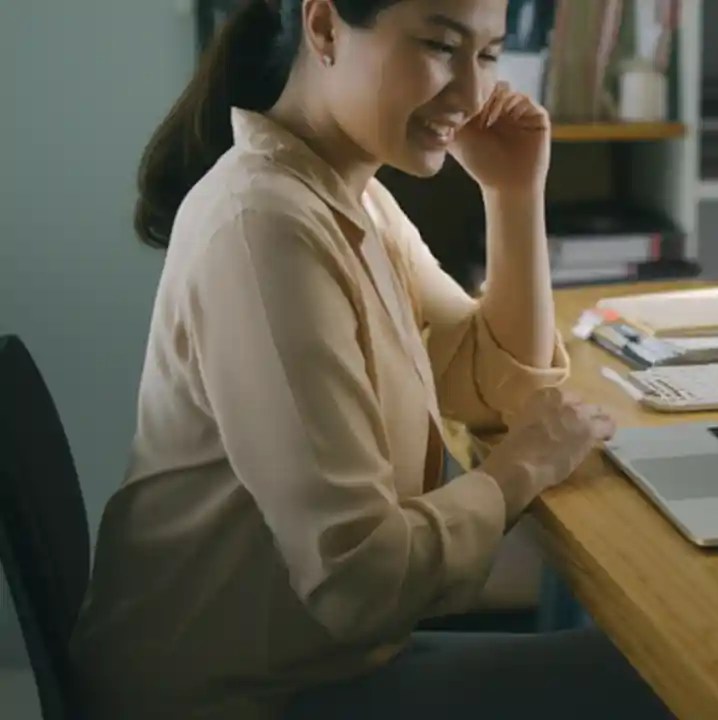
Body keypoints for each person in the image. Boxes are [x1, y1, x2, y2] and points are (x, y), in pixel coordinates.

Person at [68, 0, 672, 718]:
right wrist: (524, 466)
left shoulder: (354, 195)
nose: (473, 95)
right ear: (324, 27)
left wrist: (513, 193)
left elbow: (498, 387)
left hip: (316, 660)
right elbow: (358, 580)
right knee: (666, 688)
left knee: (649, 674)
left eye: (487, 55)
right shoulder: (264, 226)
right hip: (237, 697)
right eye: (441, 46)